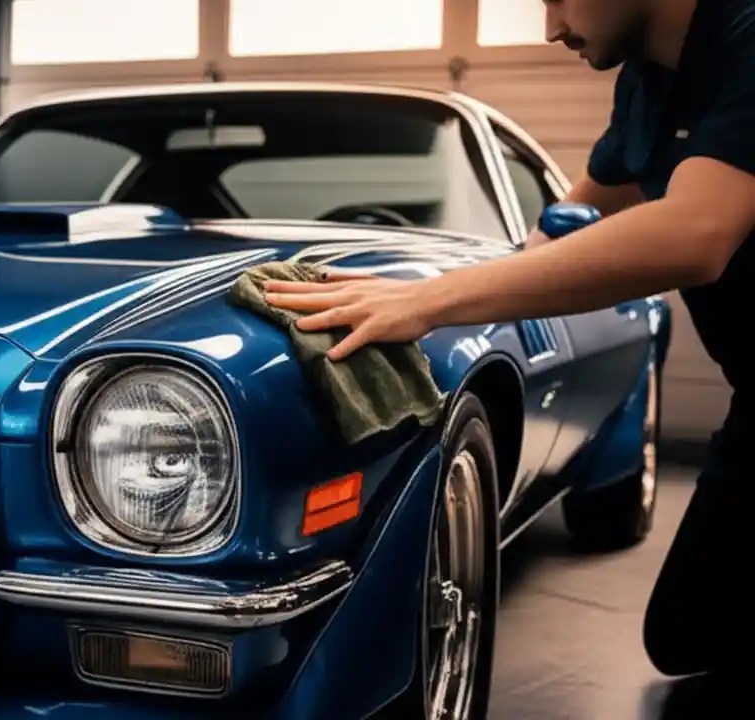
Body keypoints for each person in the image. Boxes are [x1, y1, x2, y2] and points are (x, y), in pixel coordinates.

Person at [265, 0, 755, 678]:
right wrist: (463, 275)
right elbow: (568, 219)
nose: (551, 27)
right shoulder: (646, 85)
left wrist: (428, 299)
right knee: (683, 635)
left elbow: (695, 234)